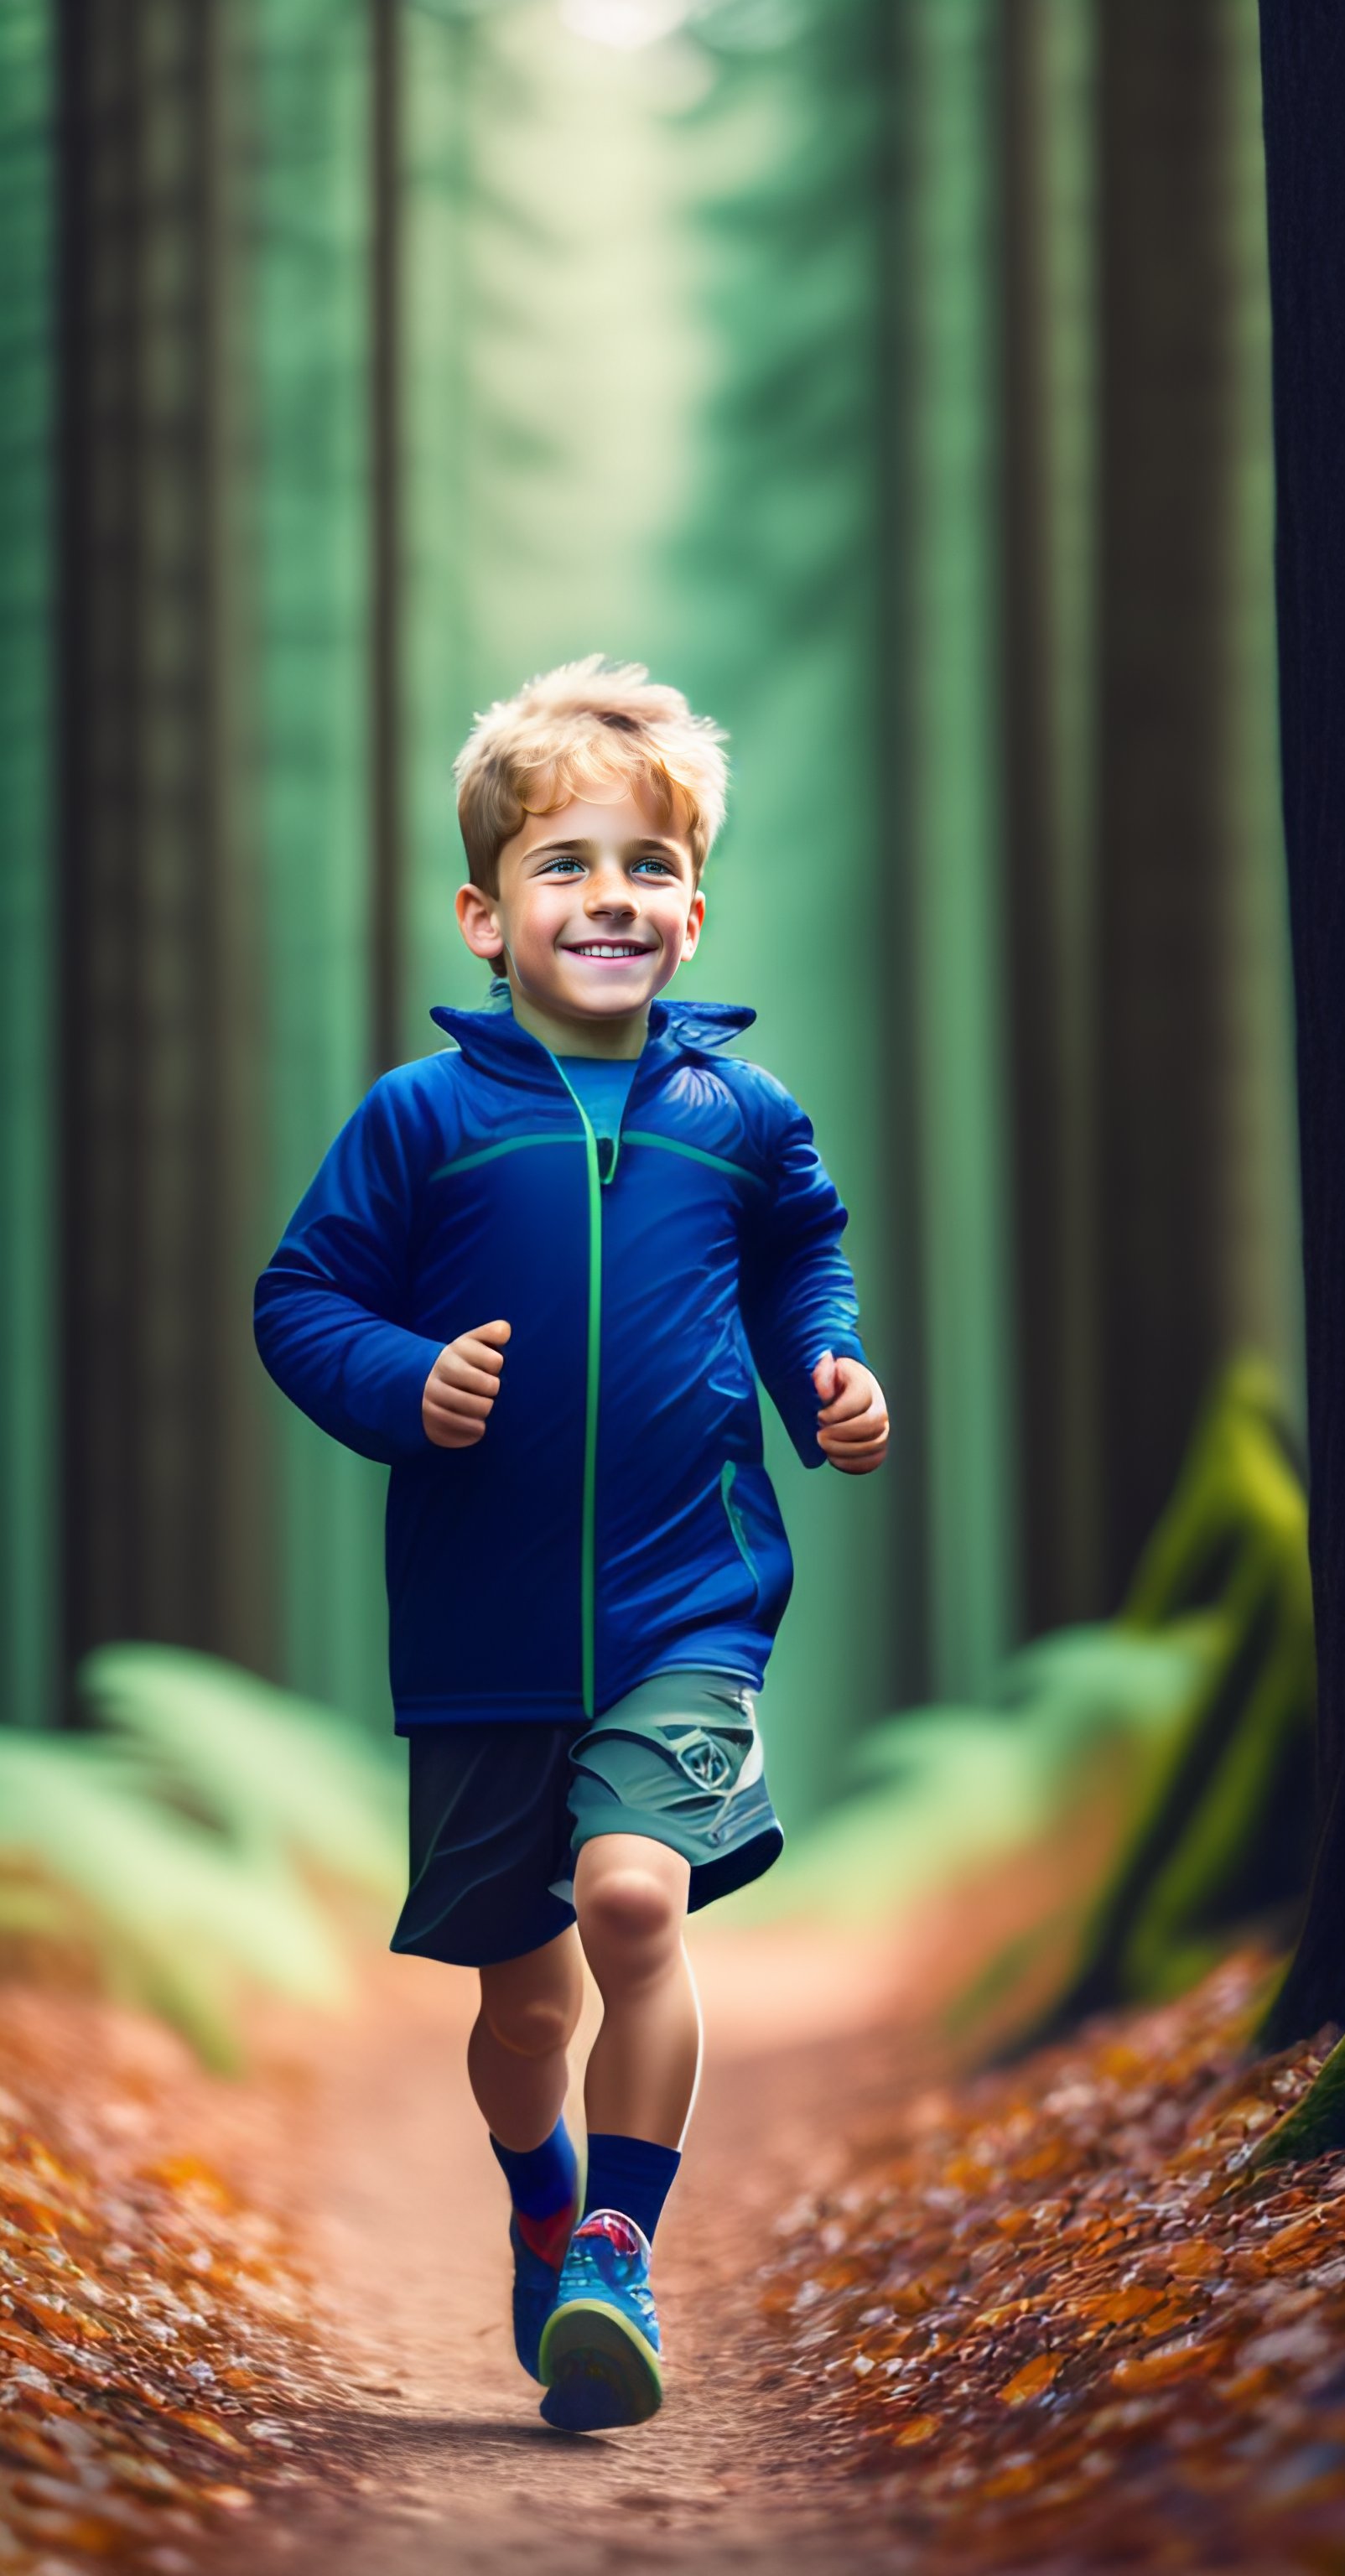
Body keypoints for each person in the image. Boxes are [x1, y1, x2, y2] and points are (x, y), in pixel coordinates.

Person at [253, 657, 888, 2432]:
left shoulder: (739, 1120)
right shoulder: (422, 1119)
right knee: (522, 2011)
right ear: (484, 913)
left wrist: (825, 1370)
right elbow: (300, 1297)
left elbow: (797, 1262)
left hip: (692, 1595)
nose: (606, 896)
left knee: (633, 1899)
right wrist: (405, 1381)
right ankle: (539, 2202)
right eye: (562, 864)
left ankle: (618, 2245)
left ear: (692, 907)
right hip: (479, 1627)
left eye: (643, 866)